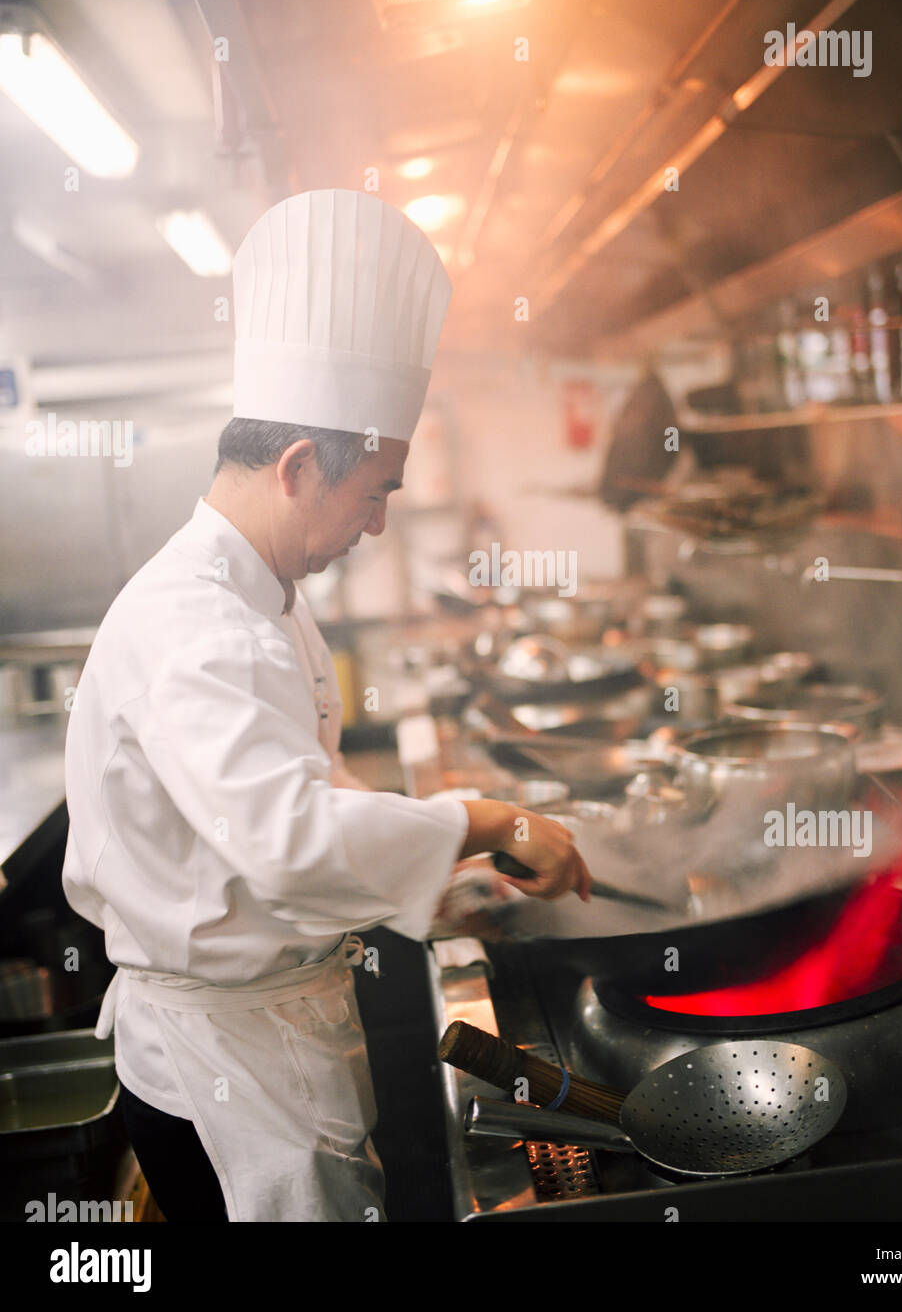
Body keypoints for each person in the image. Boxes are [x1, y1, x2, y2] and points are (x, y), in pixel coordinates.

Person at [62, 189, 591, 1222]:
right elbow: (293, 839)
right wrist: (490, 820)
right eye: (375, 490)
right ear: (301, 467)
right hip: (231, 1073)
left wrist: (445, 876)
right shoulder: (196, 623)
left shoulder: (266, 596)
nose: (380, 523)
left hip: (274, 1032)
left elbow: (309, 792)